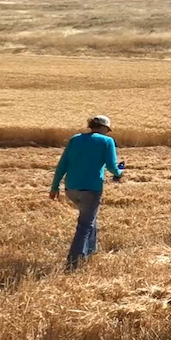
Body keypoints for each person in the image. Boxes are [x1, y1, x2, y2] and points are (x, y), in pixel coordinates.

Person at [50, 115, 124, 270]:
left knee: (90, 219)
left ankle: (90, 252)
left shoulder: (75, 139)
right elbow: (111, 166)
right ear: (103, 128)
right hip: (91, 189)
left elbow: (62, 164)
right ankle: (73, 263)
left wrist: (54, 187)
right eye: (107, 130)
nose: (107, 133)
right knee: (85, 225)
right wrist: (119, 172)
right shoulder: (107, 141)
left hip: (71, 189)